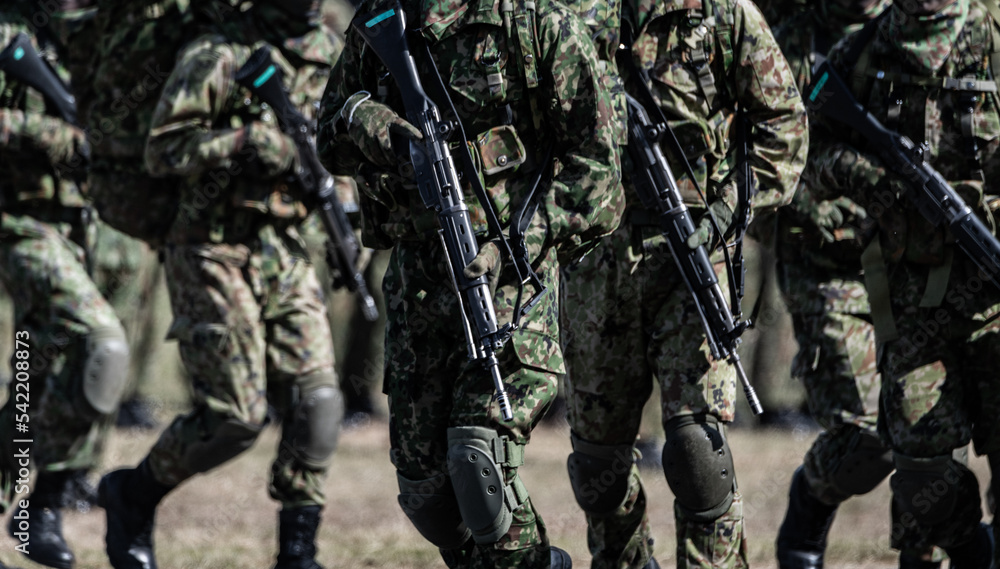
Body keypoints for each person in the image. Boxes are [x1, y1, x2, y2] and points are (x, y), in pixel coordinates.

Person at [317, 0, 625, 564]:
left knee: (478, 464)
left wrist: (520, 242)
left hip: (509, 285)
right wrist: (367, 121)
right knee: (427, 494)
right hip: (419, 283)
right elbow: (328, 131)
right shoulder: (382, 21)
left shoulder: (538, 24)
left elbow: (599, 172)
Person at [97, 2, 347, 568]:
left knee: (320, 401)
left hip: (283, 245)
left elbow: (342, 145)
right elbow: (162, 149)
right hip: (210, 245)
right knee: (235, 418)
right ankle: (132, 495)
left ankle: (297, 552)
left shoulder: (332, 55)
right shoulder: (218, 53)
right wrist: (243, 142)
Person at [559, 0, 809, 565]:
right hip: (598, 253)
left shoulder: (725, 16)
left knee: (699, 452)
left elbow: (784, 123)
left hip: (695, 250)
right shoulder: (572, 14)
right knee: (599, 461)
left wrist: (731, 207)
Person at [804, 0, 1000, 565]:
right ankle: (970, 549)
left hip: (994, 300)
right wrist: (871, 178)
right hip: (915, 305)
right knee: (921, 474)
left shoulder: (990, 36)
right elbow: (808, 149)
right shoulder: (865, 51)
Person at [765, 1, 944, 568]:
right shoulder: (784, 31)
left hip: (908, 261)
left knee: (929, 424)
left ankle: (934, 549)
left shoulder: (908, 31)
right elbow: (759, 141)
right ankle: (811, 501)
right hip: (824, 258)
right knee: (867, 435)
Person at [0, 2, 131, 568]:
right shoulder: (8, 34)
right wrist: (60, 134)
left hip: (82, 228)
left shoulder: (94, 35)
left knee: (37, 381)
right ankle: (47, 502)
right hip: (18, 224)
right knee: (101, 343)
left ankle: (34, 516)